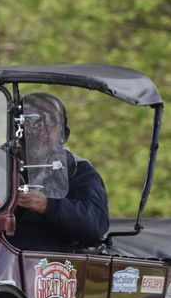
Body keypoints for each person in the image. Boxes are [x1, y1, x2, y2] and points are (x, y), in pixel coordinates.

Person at [10, 92, 109, 251]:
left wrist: (47, 205)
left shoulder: (78, 170)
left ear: (63, 133)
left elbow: (96, 225)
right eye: (32, 122)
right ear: (16, 128)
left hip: (54, 264)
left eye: (51, 124)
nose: (41, 131)